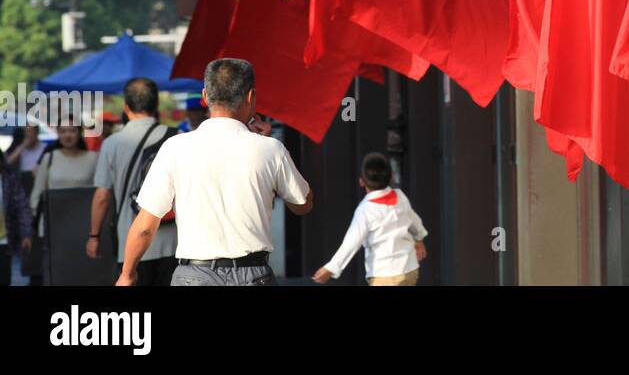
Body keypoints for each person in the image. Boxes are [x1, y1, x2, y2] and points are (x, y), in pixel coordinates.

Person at [118, 58, 313, 287]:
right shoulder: (270, 149)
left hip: (193, 275)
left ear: (204, 96)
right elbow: (303, 204)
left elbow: (145, 226)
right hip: (253, 275)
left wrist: (127, 274)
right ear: (250, 97)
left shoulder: (175, 148)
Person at [88, 79, 179, 286]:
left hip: (131, 244)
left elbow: (102, 196)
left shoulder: (112, 144)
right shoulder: (176, 138)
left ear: (126, 107)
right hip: (174, 241)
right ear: (156, 106)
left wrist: (94, 235)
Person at [313, 153, 428, 286]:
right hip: (410, 269)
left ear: (361, 181)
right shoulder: (400, 196)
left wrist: (331, 268)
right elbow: (413, 220)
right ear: (391, 176)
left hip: (385, 275)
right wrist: (419, 239)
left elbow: (352, 242)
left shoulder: (365, 210)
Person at [29, 124, 98, 286]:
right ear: (58, 134)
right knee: (57, 273)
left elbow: (99, 193)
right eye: (63, 131)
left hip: (84, 227)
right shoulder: (49, 158)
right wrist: (39, 226)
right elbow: (38, 193)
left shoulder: (94, 158)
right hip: (55, 227)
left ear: (79, 133)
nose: (68, 135)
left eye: (72, 130)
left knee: (83, 271)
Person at [0, 153, 33, 287]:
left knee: (3, 280)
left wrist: (26, 233)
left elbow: (22, 206)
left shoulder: (8, 179)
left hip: (3, 240)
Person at [4, 125, 46, 198]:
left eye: (31, 132)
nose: (29, 135)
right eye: (26, 132)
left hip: (38, 179)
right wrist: (22, 146)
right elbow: (8, 163)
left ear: (36, 133)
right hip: (22, 182)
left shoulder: (44, 148)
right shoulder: (20, 149)